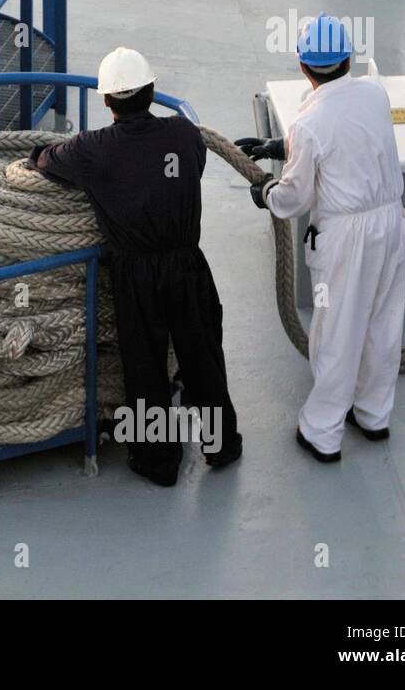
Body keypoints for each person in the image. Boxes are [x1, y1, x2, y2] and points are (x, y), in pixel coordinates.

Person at [29, 47, 242, 486]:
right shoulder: (183, 134)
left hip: (136, 276)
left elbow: (46, 162)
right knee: (202, 354)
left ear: (106, 102)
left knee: (144, 367)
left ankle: (157, 461)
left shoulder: (92, 150)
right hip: (188, 264)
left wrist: (35, 156)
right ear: (151, 90)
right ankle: (222, 444)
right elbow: (194, 166)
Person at [239, 13, 405, 463]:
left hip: (347, 238)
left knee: (337, 329)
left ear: (303, 67)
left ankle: (322, 432)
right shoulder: (374, 94)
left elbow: (295, 197)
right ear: (349, 59)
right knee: (381, 320)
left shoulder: (309, 122)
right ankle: (373, 414)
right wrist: (281, 146)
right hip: (391, 221)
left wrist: (266, 193)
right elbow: (353, 140)